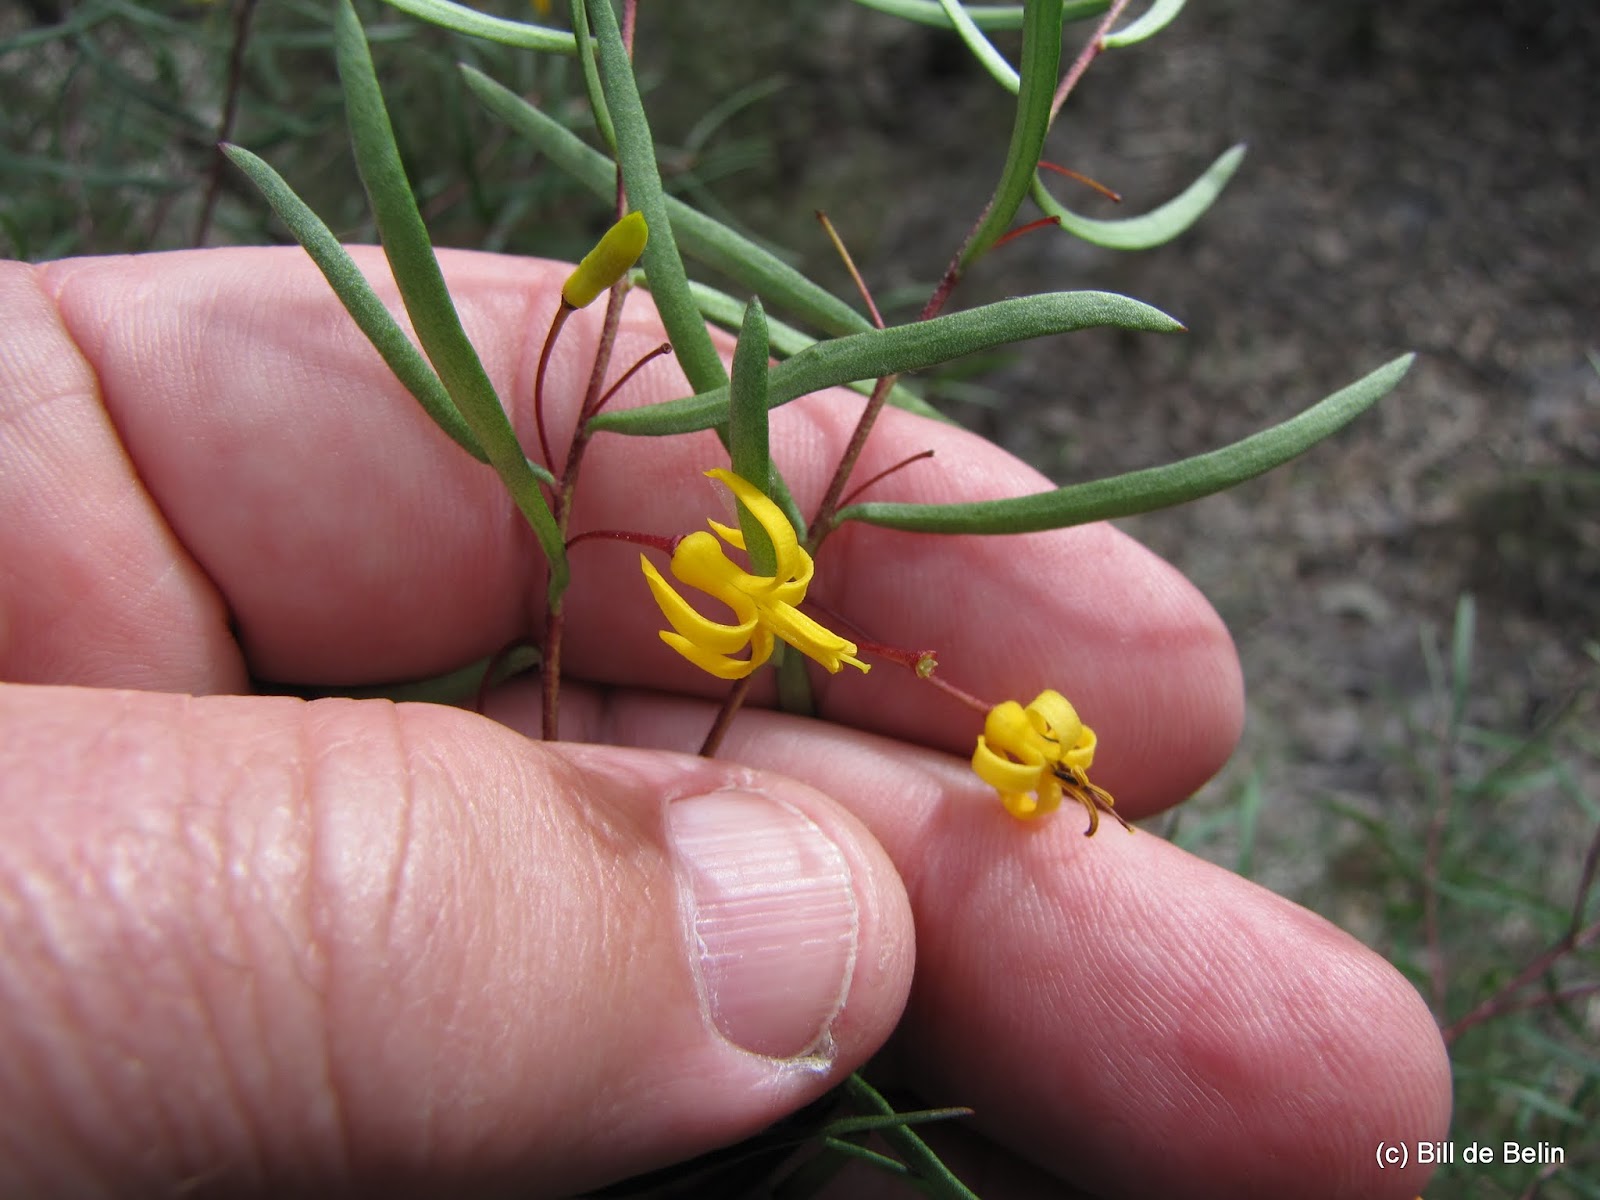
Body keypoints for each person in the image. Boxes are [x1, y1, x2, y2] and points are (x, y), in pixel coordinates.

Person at [0, 248, 1449, 1198]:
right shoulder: (764, 607)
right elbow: (762, 599)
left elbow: (775, 602)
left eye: (1045, 762)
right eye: (1049, 757)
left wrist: (796, 621)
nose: (1050, 765)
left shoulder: (815, 628)